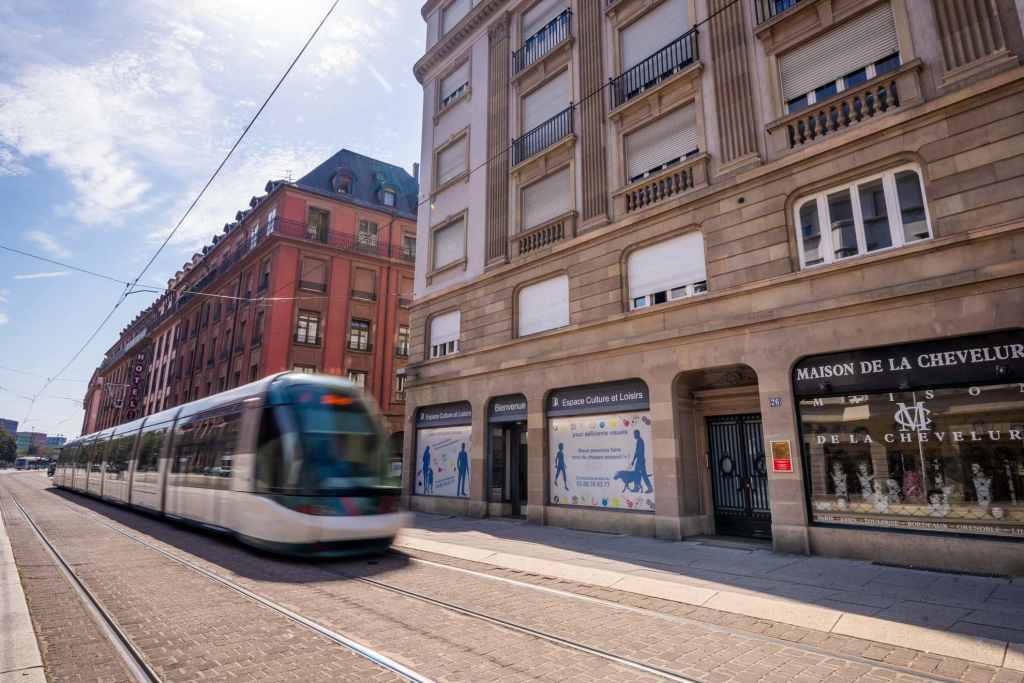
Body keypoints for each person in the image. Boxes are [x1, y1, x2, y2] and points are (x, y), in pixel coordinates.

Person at [631, 430, 653, 494]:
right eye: (634, 434)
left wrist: (635, 461)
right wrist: (633, 460)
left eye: (635, 434)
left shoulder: (640, 441)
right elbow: (636, 452)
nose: (634, 436)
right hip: (640, 460)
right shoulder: (639, 441)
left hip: (640, 460)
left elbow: (638, 452)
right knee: (639, 474)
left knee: (642, 474)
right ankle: (637, 487)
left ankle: (639, 488)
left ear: (638, 434)